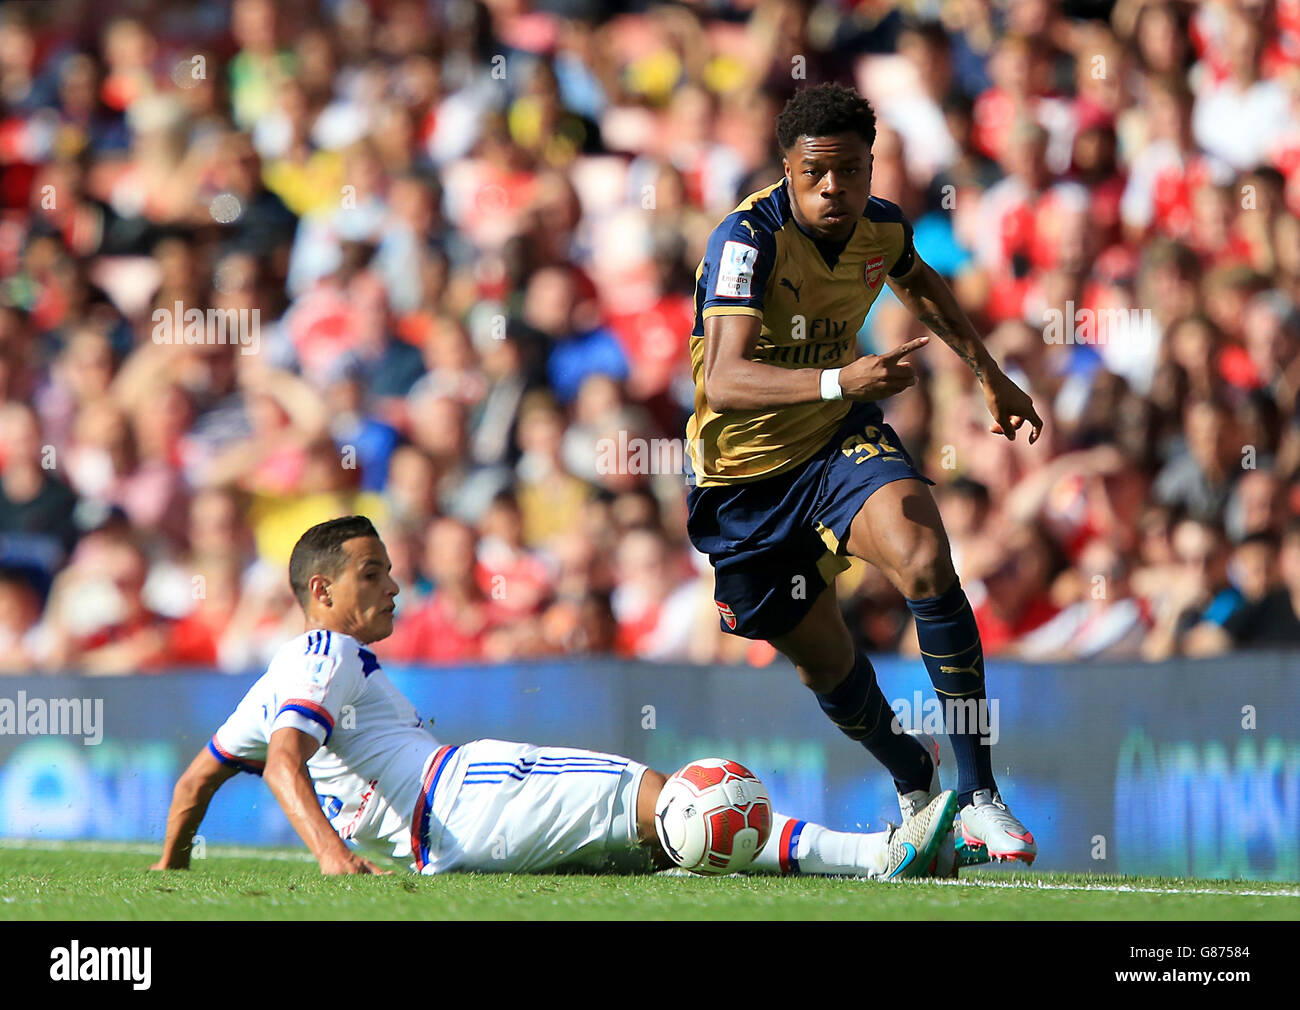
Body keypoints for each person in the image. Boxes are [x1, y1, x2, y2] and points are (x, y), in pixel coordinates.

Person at [152, 516, 957, 879]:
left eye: (393, 570)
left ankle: (877, 855)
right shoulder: (326, 652)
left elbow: (194, 786)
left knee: (671, 840)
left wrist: (171, 875)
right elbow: (286, 761)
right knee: (680, 803)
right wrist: (332, 860)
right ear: (320, 591)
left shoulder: (273, 681)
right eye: (373, 574)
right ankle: (878, 855)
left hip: (452, 835)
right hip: (465, 793)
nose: (394, 586)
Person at [684, 83, 1043, 863]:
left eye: (850, 171)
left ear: (870, 167)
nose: (833, 189)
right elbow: (725, 380)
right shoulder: (746, 241)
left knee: (923, 555)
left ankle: (980, 794)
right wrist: (841, 379)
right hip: (744, 481)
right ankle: (917, 776)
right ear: (786, 167)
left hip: (835, 444)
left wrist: (988, 372)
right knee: (827, 661)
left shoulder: (881, 228)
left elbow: (918, 280)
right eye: (815, 173)